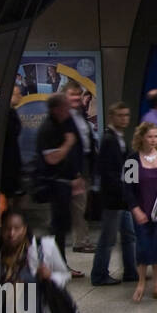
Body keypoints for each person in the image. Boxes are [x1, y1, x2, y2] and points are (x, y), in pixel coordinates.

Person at [123, 121, 157, 303]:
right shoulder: (132, 159)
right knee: (144, 247)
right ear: (142, 138)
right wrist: (135, 209)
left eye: (156, 136)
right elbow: (127, 189)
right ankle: (141, 283)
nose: (153, 140)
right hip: (142, 210)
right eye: (150, 136)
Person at [35, 93, 85, 278]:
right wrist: (68, 143)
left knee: (61, 228)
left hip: (64, 184)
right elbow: (52, 158)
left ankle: (61, 264)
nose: (69, 110)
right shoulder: (48, 128)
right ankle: (53, 266)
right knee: (54, 229)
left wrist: (76, 175)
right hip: (51, 186)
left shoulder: (65, 122)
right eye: (65, 107)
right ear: (56, 109)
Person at [91, 102, 138, 286]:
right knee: (108, 238)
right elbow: (108, 172)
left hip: (121, 198)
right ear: (112, 117)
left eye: (126, 115)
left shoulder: (118, 138)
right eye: (120, 115)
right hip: (113, 199)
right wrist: (124, 191)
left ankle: (131, 271)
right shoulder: (109, 139)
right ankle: (99, 274)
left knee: (129, 234)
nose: (124, 118)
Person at [63, 83, 96, 255]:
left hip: (85, 166)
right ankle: (81, 241)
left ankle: (82, 239)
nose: (76, 98)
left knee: (82, 206)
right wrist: (74, 173)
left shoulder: (81, 114)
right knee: (78, 207)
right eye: (72, 95)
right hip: (73, 170)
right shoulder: (63, 117)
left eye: (78, 94)